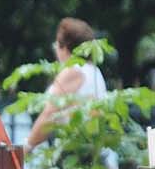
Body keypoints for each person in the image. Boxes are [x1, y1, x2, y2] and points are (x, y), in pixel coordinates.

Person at [26, 17, 108, 151]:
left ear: (63, 47)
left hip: (76, 153)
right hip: (95, 150)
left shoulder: (72, 71)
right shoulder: (94, 70)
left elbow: (48, 116)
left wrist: (26, 148)